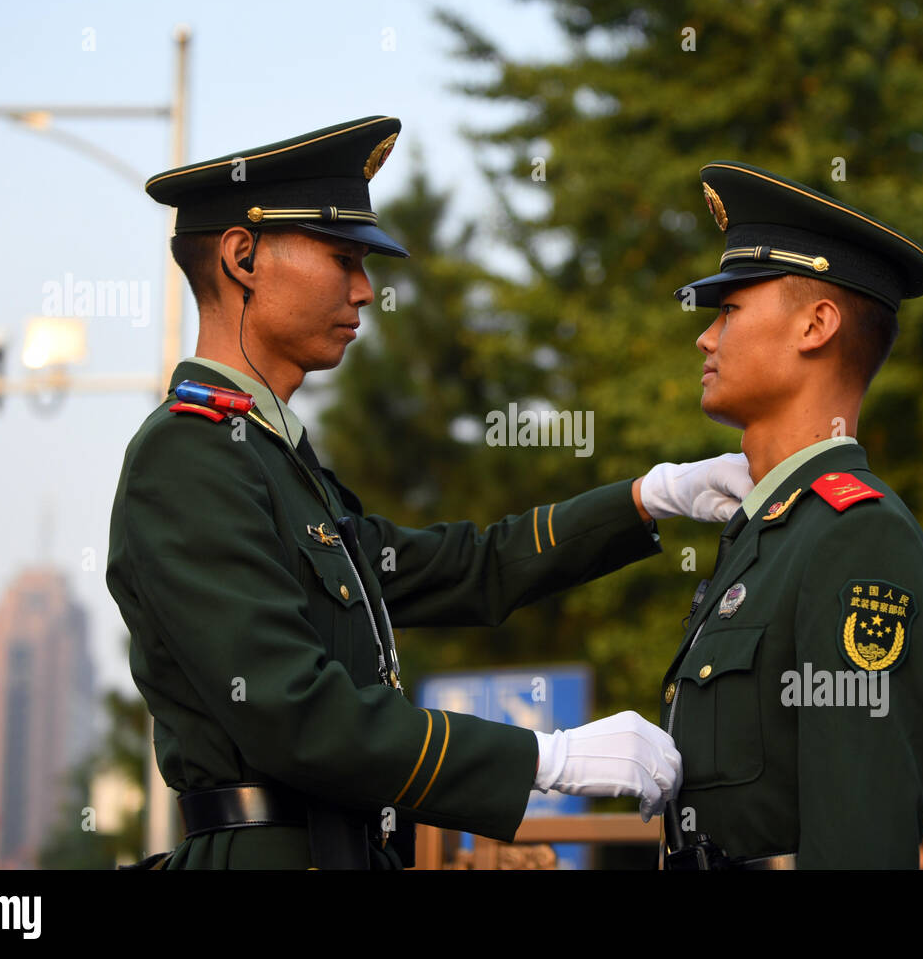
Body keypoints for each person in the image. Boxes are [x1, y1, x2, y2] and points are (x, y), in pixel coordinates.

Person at [106, 115, 754, 869]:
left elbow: (463, 569)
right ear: (243, 256)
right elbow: (297, 715)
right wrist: (547, 760)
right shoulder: (187, 458)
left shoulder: (275, 461)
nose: (366, 291)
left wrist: (647, 498)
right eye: (343, 258)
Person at [657, 161, 923, 869]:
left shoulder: (858, 536)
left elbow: (859, 837)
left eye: (729, 310)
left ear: (817, 324)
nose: (705, 337)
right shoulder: (773, 532)